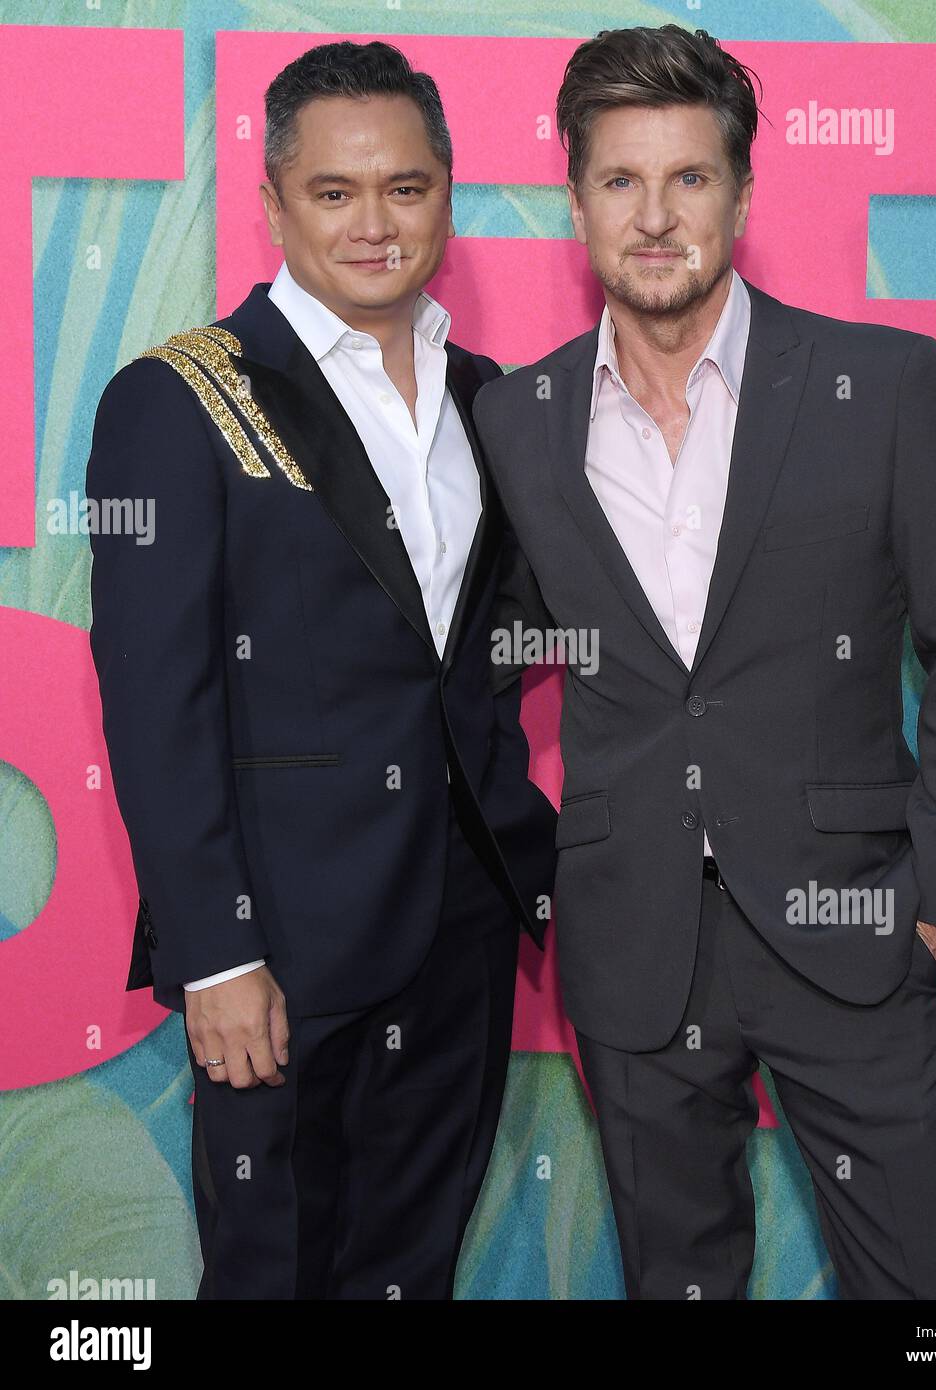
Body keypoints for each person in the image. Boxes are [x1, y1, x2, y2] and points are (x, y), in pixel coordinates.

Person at [473, 24, 936, 1300]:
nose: (653, 217)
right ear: (575, 201)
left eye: (688, 178)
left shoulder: (879, 386)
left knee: (929, 1295)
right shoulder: (517, 418)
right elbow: (483, 667)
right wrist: (546, 882)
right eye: (619, 181)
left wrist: (935, 906)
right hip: (631, 946)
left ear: (741, 192)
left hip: (854, 927)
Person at [86, 39, 555, 1300]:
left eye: (404, 188)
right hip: (279, 949)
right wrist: (217, 956)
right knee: (273, 1270)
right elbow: (154, 703)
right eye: (335, 193)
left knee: (412, 1264)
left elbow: (488, 658)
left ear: (447, 197)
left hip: (458, 928)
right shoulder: (180, 397)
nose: (374, 223)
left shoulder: (489, 400)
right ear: (275, 204)